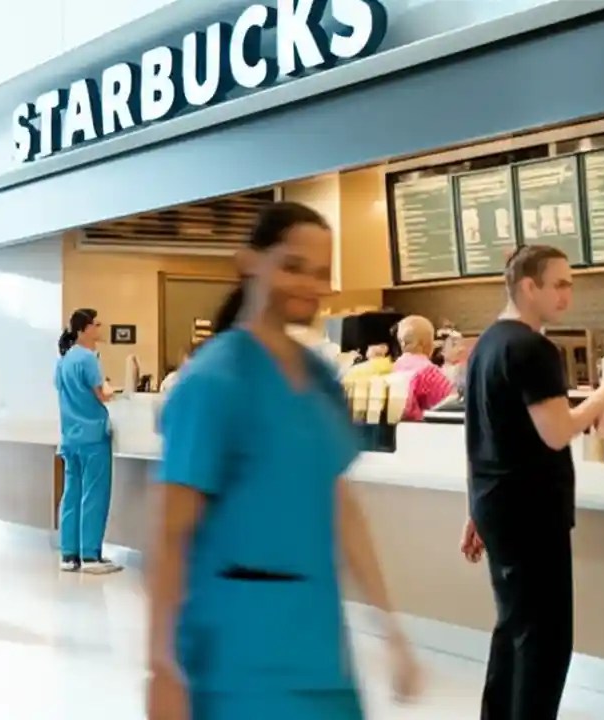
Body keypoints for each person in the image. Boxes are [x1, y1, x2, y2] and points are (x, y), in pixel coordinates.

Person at [147, 202, 419, 720]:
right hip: (234, 656)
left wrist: (391, 627)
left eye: (321, 273)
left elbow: (340, 506)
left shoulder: (319, 379)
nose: (310, 285)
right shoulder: (213, 381)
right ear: (250, 261)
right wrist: (160, 665)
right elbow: (169, 531)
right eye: (293, 266)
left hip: (318, 647)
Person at [460, 244, 604, 720]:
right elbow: (556, 432)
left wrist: (474, 507)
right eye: (559, 284)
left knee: (514, 628)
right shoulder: (533, 348)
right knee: (545, 640)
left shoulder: (486, 345)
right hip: (531, 511)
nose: (567, 295)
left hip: (497, 505)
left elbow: (481, 436)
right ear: (528, 286)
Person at [54, 308, 120, 575]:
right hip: (93, 436)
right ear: (83, 329)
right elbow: (101, 394)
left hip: (70, 437)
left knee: (71, 495)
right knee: (94, 495)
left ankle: (69, 555)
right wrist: (112, 390)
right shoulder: (89, 359)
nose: (99, 329)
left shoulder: (63, 360)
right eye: (96, 324)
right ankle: (91, 555)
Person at [391, 315, 455, 421]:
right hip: (424, 432)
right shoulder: (430, 373)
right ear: (426, 343)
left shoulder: (393, 368)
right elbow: (450, 407)